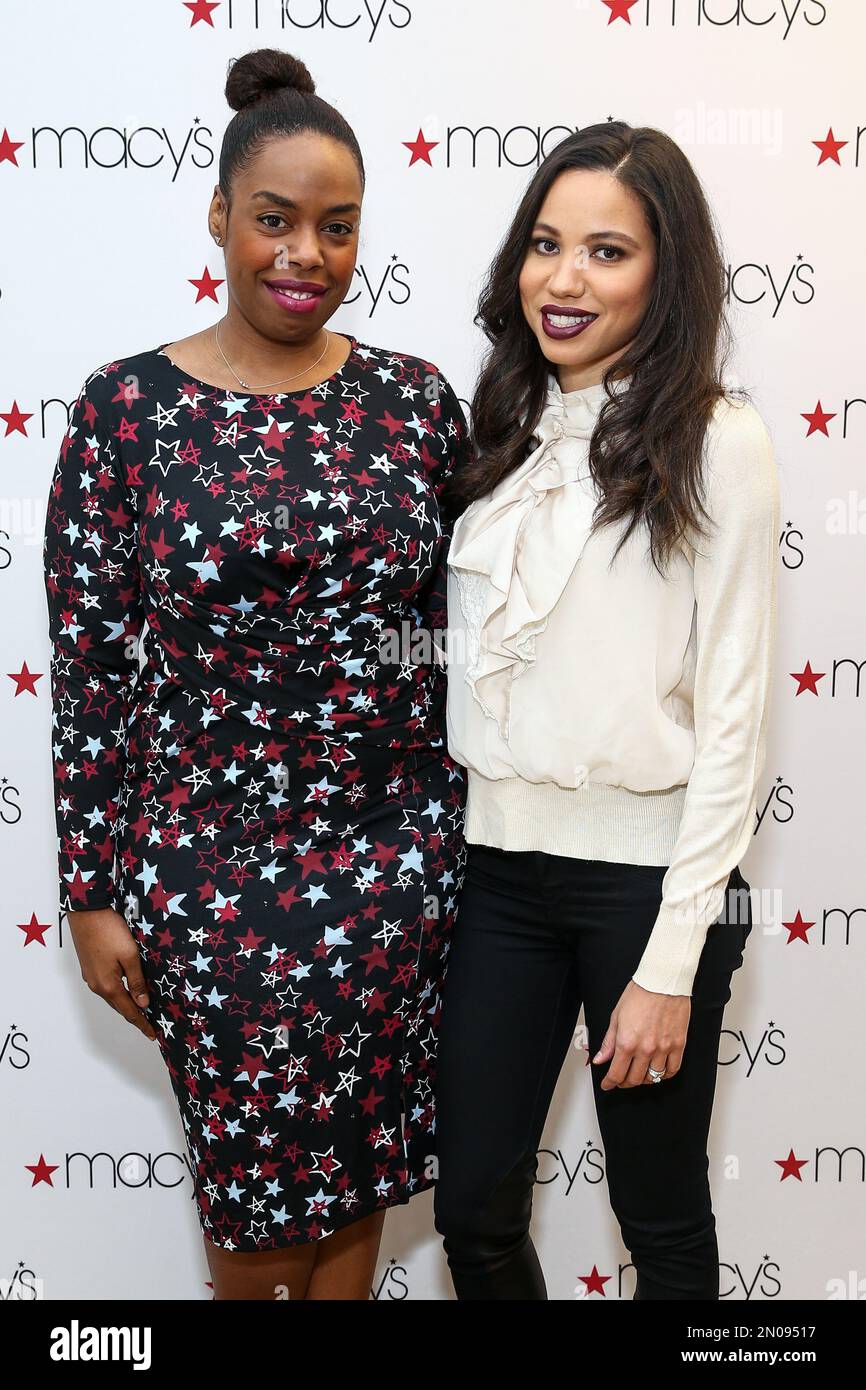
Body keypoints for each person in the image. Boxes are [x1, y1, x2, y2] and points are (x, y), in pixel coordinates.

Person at [42, 46, 469, 1301]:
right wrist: (92, 886)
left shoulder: (414, 402)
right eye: (274, 220)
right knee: (251, 1212)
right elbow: (93, 669)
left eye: (336, 229)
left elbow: (449, 633)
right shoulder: (126, 409)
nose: (304, 255)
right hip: (209, 873)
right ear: (219, 215)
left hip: (397, 865)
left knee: (358, 1189)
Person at [433, 121, 780, 1300]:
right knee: (471, 1207)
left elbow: (732, 721)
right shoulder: (500, 430)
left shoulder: (717, 443)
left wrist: (668, 964)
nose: (564, 278)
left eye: (605, 251)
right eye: (544, 244)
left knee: (660, 1222)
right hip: (494, 873)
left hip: (643, 885)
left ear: (663, 272)